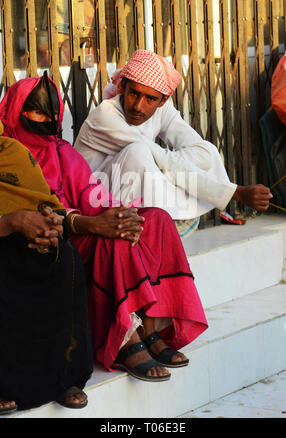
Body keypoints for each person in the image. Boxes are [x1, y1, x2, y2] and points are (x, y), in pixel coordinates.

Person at [0, 73, 208, 383]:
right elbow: (39, 212)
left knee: (156, 220)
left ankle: (151, 326)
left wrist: (119, 215)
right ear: (15, 111)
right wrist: (94, 224)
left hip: (84, 224)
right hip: (50, 239)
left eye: (50, 113)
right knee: (111, 240)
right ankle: (125, 340)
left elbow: (90, 193)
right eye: (36, 112)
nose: (45, 120)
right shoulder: (8, 154)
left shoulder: (60, 151)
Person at [74, 49, 272, 235]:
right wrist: (236, 193)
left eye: (150, 99)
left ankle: (170, 217)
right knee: (139, 152)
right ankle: (159, 221)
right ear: (124, 87)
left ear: (163, 100)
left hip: (132, 190)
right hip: (93, 199)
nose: (138, 106)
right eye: (134, 93)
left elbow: (200, 150)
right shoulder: (106, 115)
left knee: (208, 152)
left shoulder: (163, 110)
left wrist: (164, 166)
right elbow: (158, 157)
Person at [0, 119, 93, 414]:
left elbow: (45, 203)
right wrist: (11, 222)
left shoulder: (11, 151)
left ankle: (64, 376)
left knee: (64, 258)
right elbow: (14, 218)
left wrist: (51, 226)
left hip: (14, 241)